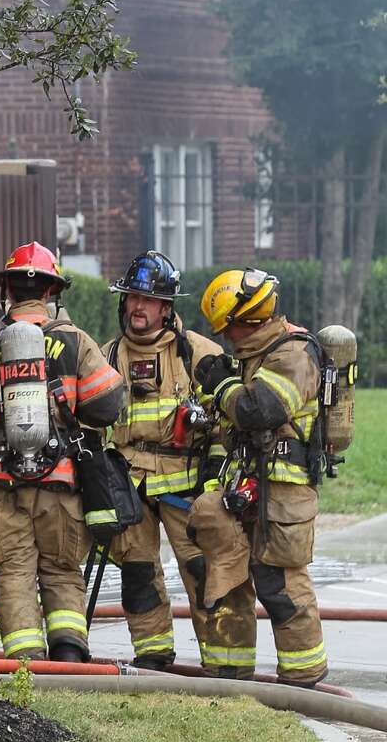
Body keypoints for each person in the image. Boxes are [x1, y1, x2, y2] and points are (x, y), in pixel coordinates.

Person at [0, 242, 125, 661]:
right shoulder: (75, 341)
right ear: (50, 292)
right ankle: (68, 656)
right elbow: (107, 406)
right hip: (62, 487)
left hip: (1, 487)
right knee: (62, 572)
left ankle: (25, 665)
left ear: (6, 289)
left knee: (13, 575)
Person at [188, 268, 327, 685]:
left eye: (229, 327)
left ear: (246, 319)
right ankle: (229, 671)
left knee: (282, 588)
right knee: (226, 579)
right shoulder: (253, 357)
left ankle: (304, 680)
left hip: (284, 497)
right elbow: (231, 427)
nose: (227, 336)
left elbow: (258, 410)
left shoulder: (294, 354)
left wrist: (222, 383)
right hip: (246, 491)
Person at [104, 250, 227, 667]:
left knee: (203, 572)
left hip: (185, 487)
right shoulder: (105, 358)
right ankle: (153, 655)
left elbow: (226, 421)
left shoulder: (198, 354)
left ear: (166, 306)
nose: (138, 306)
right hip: (130, 489)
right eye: (132, 297)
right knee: (138, 573)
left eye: (148, 299)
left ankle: (221, 657)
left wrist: (213, 477)